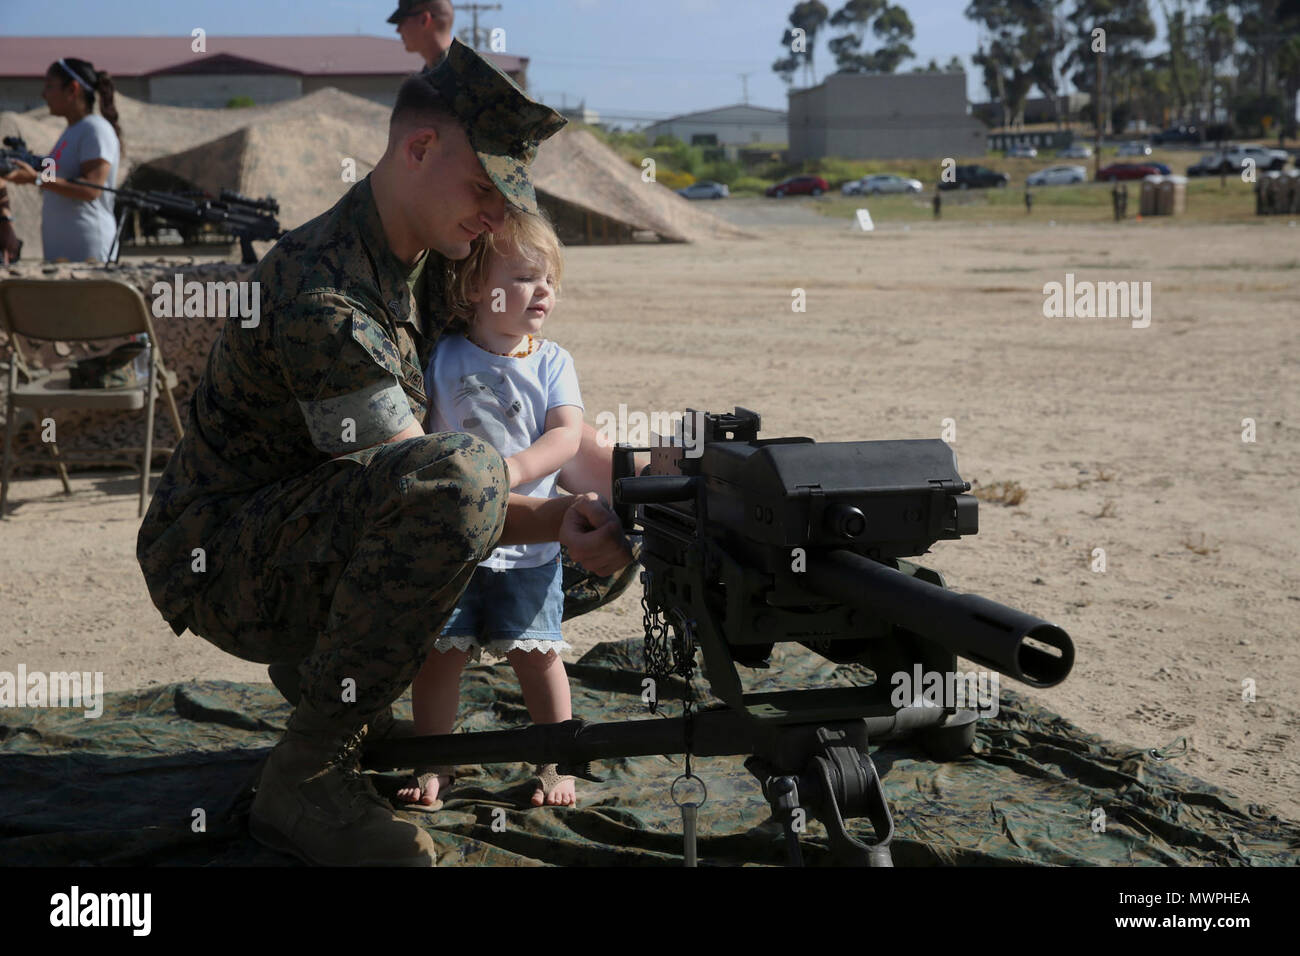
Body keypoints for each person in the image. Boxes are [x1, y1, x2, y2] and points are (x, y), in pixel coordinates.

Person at [136, 40, 635, 868]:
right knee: (466, 480)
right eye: (484, 188)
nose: (493, 214)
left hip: (310, 522)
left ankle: (337, 687)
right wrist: (561, 520)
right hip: (221, 558)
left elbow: (535, 413)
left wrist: (648, 486)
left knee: (614, 522)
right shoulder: (325, 295)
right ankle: (305, 774)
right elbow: (438, 492)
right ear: (418, 148)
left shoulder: (436, 262)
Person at [398, 207, 582, 812]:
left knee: (537, 655)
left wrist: (508, 473)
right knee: (438, 658)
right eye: (527, 276)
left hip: (530, 549)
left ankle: (556, 763)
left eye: (549, 278)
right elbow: (420, 435)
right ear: (476, 286)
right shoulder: (444, 356)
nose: (544, 290)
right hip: (454, 547)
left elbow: (566, 438)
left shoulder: (552, 361)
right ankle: (436, 765)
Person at [0, 58, 121, 262]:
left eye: (49, 86)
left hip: (89, 245)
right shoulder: (70, 132)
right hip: (64, 248)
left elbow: (92, 189)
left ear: (72, 89)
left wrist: (35, 179)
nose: (44, 94)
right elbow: (54, 179)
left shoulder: (95, 129)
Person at [390, 0, 455, 69]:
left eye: (402, 21)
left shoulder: (458, 72)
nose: (398, 30)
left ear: (424, 20)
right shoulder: (452, 68)